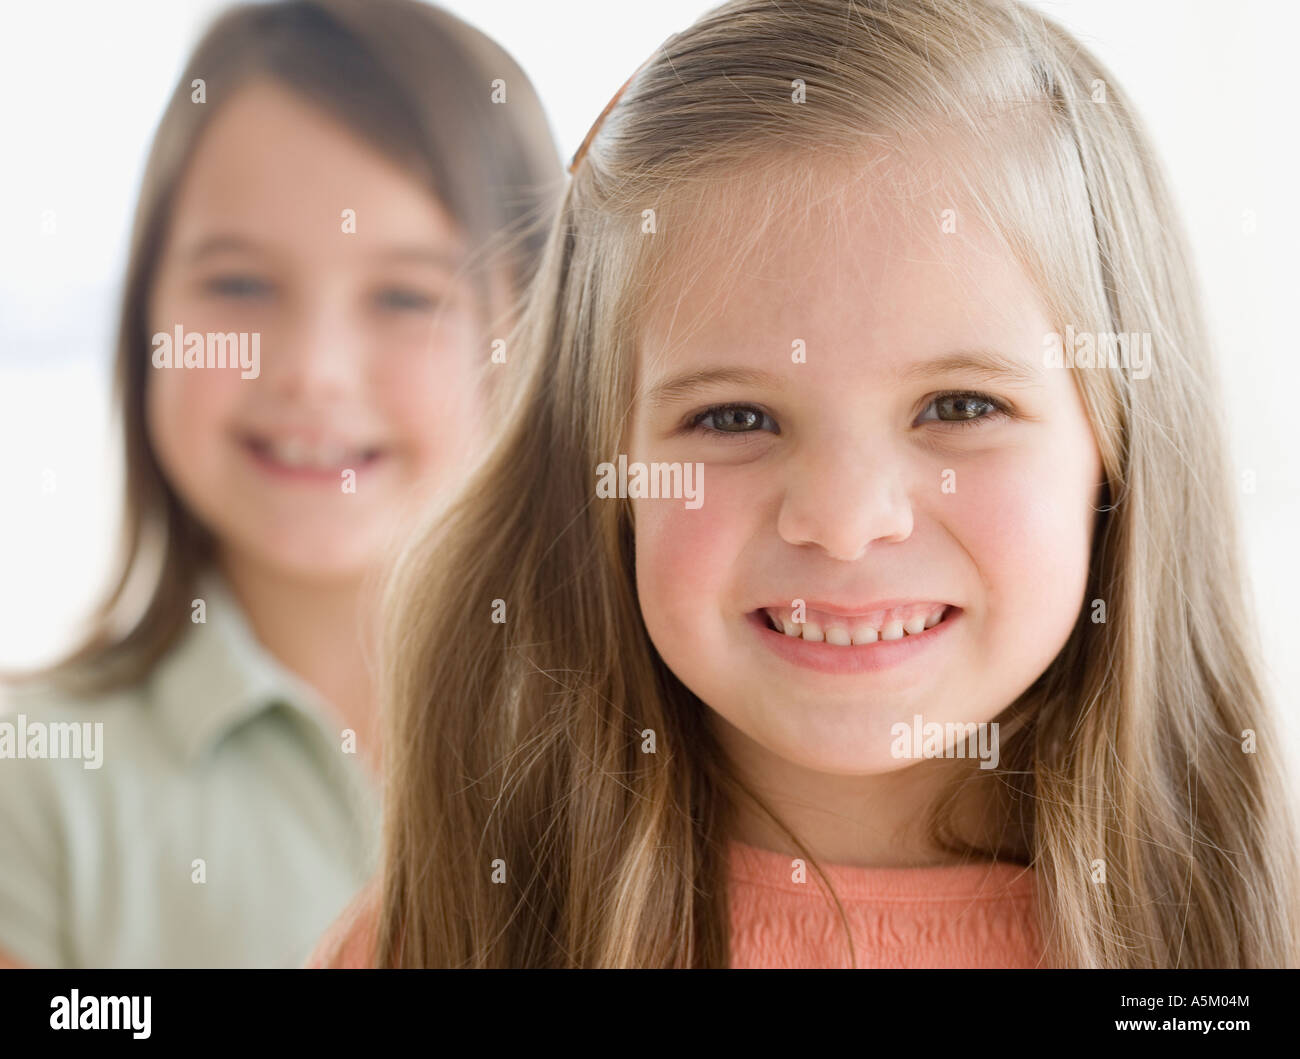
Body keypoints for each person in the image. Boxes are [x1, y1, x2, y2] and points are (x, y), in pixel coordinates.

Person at [308, 0, 1299, 968]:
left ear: (1116, 445)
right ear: (601, 470)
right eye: (733, 418)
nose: (842, 521)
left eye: (958, 407)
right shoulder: (443, 939)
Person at [0, 0, 562, 968]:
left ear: (532, 340)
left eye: (404, 297)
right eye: (240, 286)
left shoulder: (645, 750)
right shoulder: (28, 778)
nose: (313, 370)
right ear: (145, 324)